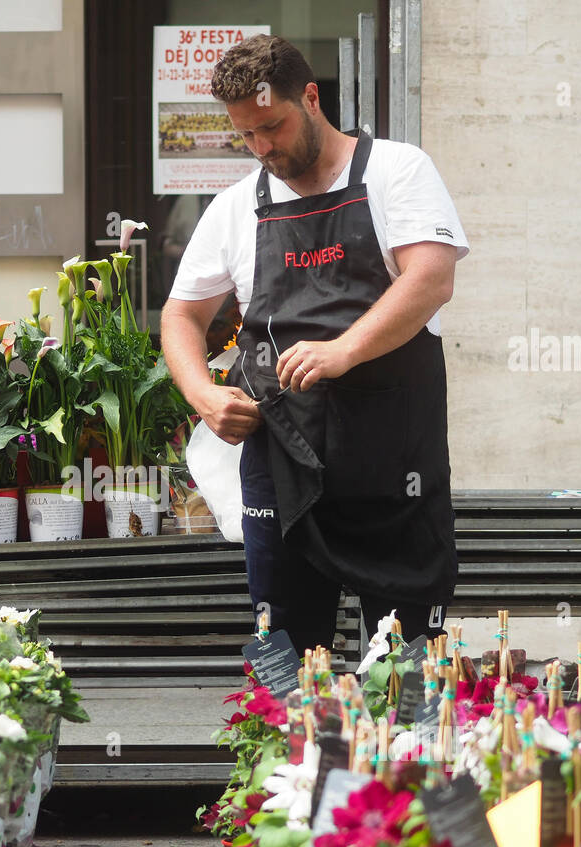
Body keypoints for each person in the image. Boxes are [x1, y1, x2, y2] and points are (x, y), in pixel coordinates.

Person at [162, 34, 468, 663]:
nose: (263, 148)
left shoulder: (396, 171)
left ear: (310, 96)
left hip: (392, 463)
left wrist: (343, 351)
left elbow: (431, 277)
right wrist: (202, 395)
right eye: (247, 136)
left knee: (409, 668)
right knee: (290, 662)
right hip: (283, 465)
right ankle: (293, 763)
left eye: (271, 126)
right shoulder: (234, 209)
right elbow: (183, 314)